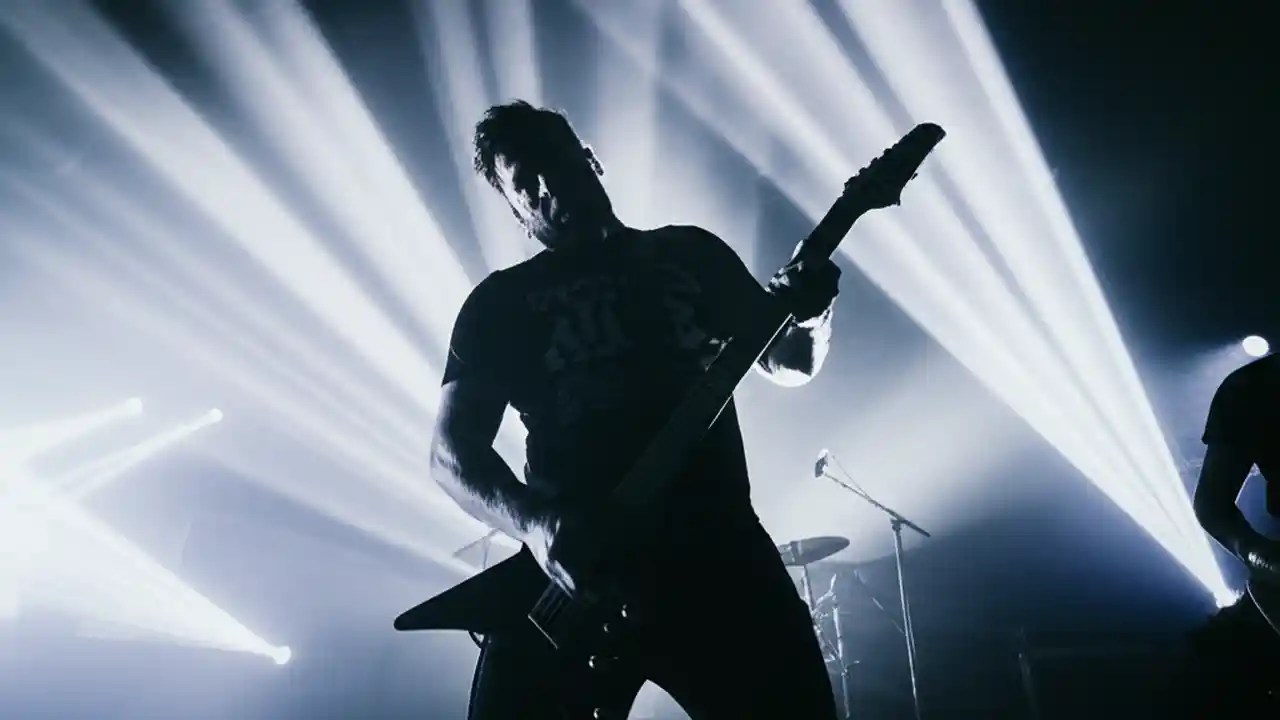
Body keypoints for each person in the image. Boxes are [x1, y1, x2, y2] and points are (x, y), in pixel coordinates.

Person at [430, 100, 845, 718]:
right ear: (516, 211)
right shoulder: (500, 304)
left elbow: (788, 361)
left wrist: (811, 313)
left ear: (589, 159)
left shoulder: (690, 255)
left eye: (556, 163)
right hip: (575, 573)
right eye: (526, 184)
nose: (547, 187)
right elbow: (450, 454)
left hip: (720, 559)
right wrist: (538, 527)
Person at [1194, 350, 1280, 578]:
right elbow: (1212, 506)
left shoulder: (1248, 386)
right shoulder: (1249, 388)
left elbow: (1212, 507)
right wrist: (1261, 557)